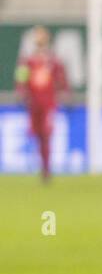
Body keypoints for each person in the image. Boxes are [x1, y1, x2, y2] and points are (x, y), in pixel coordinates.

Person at [13, 26, 67, 182]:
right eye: (38, 38)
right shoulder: (27, 61)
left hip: (48, 104)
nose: (40, 40)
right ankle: (39, 167)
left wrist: (64, 93)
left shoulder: (53, 61)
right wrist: (21, 91)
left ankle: (46, 170)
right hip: (33, 104)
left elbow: (61, 79)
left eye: (42, 37)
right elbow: (21, 78)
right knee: (35, 134)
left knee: (46, 134)